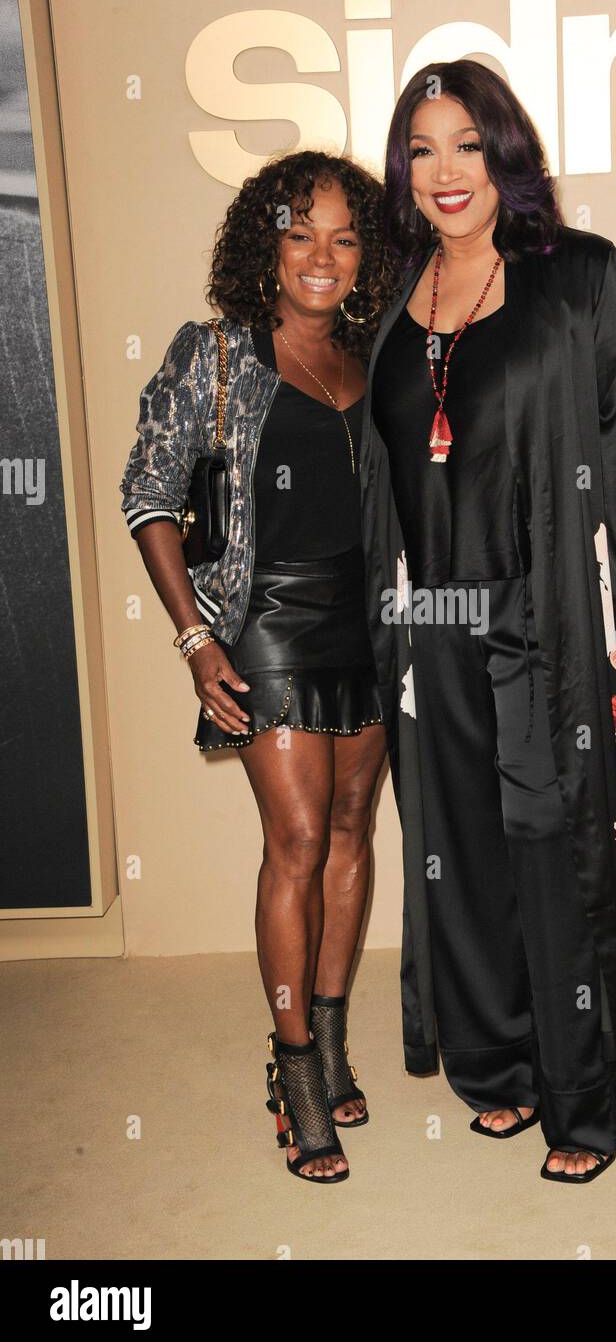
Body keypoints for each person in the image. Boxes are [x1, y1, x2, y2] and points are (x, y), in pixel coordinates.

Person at [359, 60, 616, 1183]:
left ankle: (582, 1097)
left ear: (504, 152)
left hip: (547, 610)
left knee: (556, 840)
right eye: (422, 149)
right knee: (457, 845)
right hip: (430, 620)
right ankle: (498, 1065)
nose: (445, 170)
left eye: (467, 143)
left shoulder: (581, 277)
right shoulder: (394, 296)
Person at [119, 151, 402, 1183]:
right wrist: (197, 639)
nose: (322, 256)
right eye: (300, 234)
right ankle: (294, 1073)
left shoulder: (373, 353)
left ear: (364, 256)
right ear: (265, 246)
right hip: (267, 619)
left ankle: (329, 1038)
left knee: (351, 830)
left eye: (343, 238)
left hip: (367, 622)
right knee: (296, 838)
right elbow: (148, 494)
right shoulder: (215, 353)